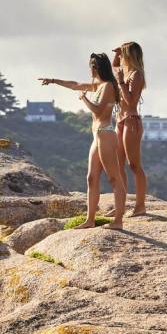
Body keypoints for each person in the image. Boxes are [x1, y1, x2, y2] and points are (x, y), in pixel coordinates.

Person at [40, 52, 127, 225]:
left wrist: (84, 98)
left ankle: (118, 220)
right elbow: (75, 85)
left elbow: (98, 111)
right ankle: (90, 220)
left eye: (90, 67)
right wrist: (53, 80)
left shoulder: (108, 86)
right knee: (91, 178)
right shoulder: (98, 85)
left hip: (106, 134)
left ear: (95, 67)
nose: (89, 70)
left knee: (114, 178)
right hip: (97, 136)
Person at [112, 41, 148, 216]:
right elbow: (114, 67)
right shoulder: (125, 72)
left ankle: (140, 206)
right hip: (120, 121)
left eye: (123, 54)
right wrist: (116, 54)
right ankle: (120, 206)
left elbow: (131, 102)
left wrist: (121, 82)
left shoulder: (136, 75)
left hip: (131, 121)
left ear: (130, 56)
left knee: (133, 165)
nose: (121, 57)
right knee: (117, 166)